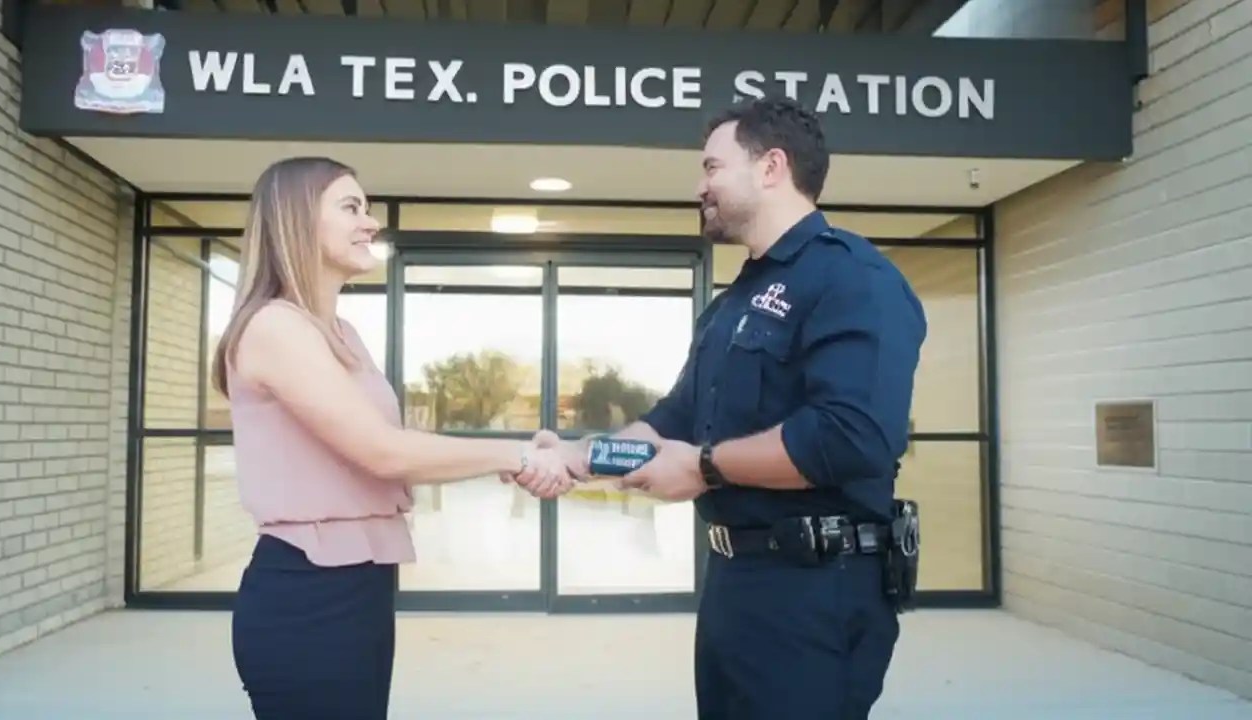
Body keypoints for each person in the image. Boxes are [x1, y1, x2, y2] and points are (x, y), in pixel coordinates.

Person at [547, 96, 927, 718]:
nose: (700, 186)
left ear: (771, 166)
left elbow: (848, 436)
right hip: (734, 584)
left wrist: (702, 467)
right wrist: (580, 458)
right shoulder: (732, 304)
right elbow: (674, 418)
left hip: (816, 591)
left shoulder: (854, 278)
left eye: (712, 168)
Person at [213, 156, 577, 720]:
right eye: (351, 207)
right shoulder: (274, 326)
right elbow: (381, 451)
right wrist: (517, 453)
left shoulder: (342, 334)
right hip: (308, 597)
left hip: (361, 589)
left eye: (368, 208)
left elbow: (391, 444)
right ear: (298, 219)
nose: (370, 222)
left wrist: (502, 458)